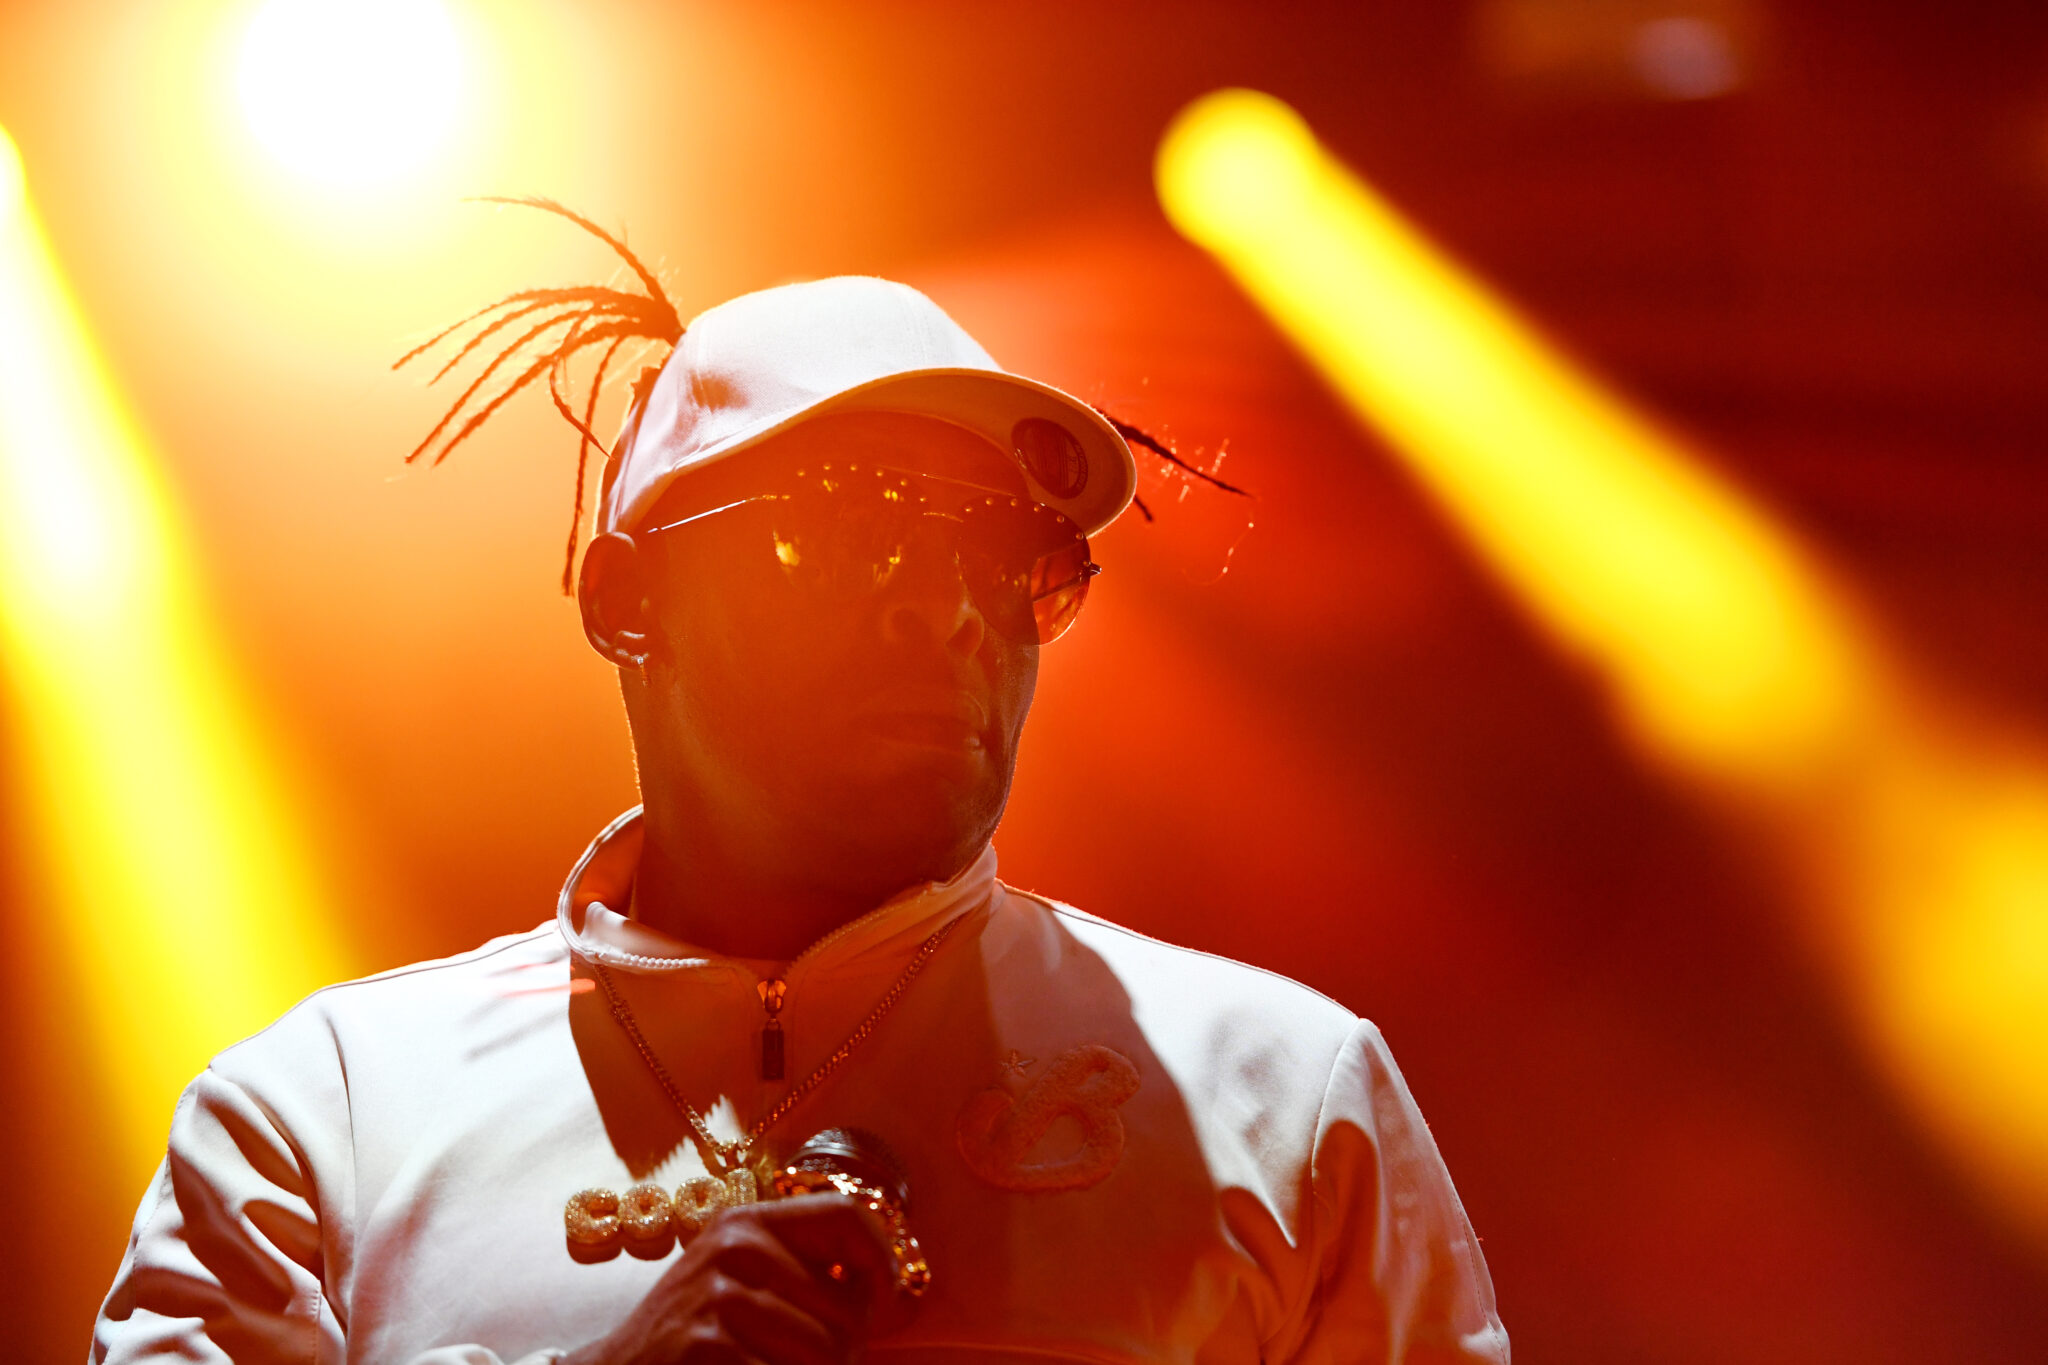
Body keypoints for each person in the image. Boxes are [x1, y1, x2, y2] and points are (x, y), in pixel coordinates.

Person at [92, 204, 1509, 1364]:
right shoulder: (324, 1119)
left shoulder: (1279, 1095)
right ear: (626, 597)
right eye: (849, 532)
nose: (944, 610)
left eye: (1000, 558)